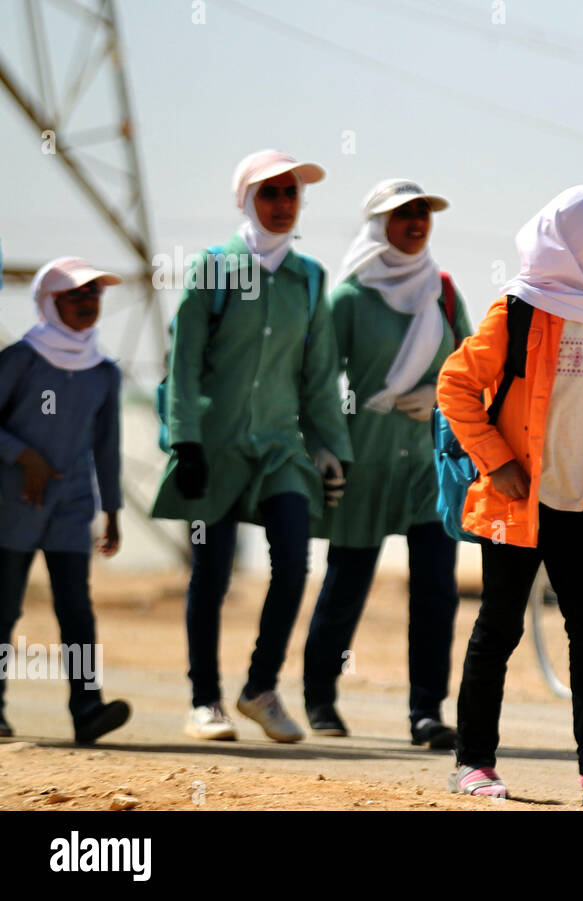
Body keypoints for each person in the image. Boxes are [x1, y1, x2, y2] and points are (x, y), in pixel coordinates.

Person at [437, 184, 583, 805]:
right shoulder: (516, 313)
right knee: (499, 631)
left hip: (582, 506)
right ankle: (472, 763)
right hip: (520, 507)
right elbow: (455, 386)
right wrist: (497, 460)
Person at [152, 149, 353, 743]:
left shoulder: (311, 278)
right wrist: (185, 440)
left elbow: (318, 378)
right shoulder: (214, 268)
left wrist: (332, 449)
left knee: (293, 563)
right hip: (213, 446)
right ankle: (203, 700)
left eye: (291, 193)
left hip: (279, 450)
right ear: (246, 199)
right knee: (209, 575)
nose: (282, 204)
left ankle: (260, 687)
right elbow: (184, 361)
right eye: (270, 193)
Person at [302, 179, 473, 749]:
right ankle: (319, 696)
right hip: (365, 458)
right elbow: (319, 377)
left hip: (431, 465)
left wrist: (442, 396)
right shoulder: (348, 298)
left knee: (435, 589)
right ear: (379, 224)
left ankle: (426, 711)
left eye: (424, 210)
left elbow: (473, 366)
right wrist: (324, 448)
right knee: (347, 580)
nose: (417, 221)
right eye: (404, 213)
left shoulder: (443, 293)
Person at [0, 258, 132, 744]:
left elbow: (107, 446)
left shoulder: (102, 371)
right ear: (48, 302)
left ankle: (87, 709)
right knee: (3, 609)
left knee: (76, 609)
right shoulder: (21, 359)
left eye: (94, 295)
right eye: (74, 296)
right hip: (13, 503)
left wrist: (113, 511)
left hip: (73, 507)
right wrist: (22, 455)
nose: (87, 304)